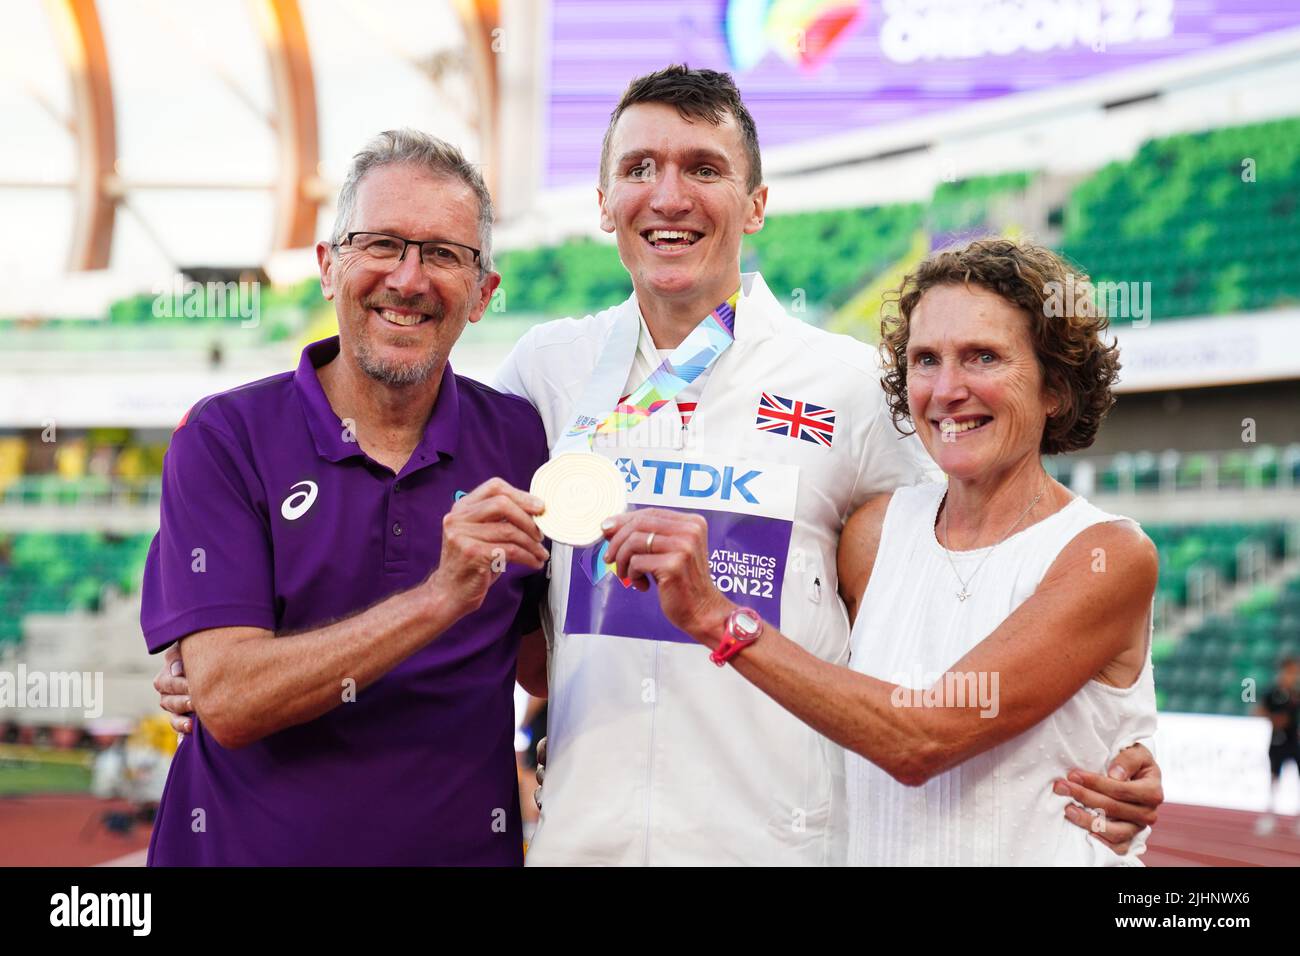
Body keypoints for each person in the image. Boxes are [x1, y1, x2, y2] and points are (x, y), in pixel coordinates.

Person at [492, 67, 1164, 865]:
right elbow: (513, 608)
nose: (668, 196)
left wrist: (1120, 743)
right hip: (584, 842)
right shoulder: (543, 369)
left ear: (757, 203)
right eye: (639, 168)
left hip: (779, 848)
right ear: (603, 200)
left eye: (704, 169)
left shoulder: (846, 386)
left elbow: (971, 584)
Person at [606, 237, 1163, 864]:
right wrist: (607, 762)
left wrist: (716, 618)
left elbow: (921, 739)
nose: (948, 389)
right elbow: (809, 689)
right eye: (926, 360)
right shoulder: (871, 536)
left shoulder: (1106, 554)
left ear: (1055, 387)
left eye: (983, 357)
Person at [143, 130, 550, 865]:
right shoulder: (224, 437)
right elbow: (230, 700)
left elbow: (541, 663)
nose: (409, 278)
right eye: (383, 244)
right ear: (329, 267)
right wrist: (440, 596)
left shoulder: (522, 438)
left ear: (484, 293)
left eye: (443, 254)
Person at [1255, 656, 1299, 835]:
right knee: (1274, 777)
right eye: (1290, 672)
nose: (1292, 676)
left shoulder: (1296, 694)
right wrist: (1275, 719)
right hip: (1277, 741)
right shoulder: (1273, 693)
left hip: (1295, 742)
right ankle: (1271, 813)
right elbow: (1259, 710)